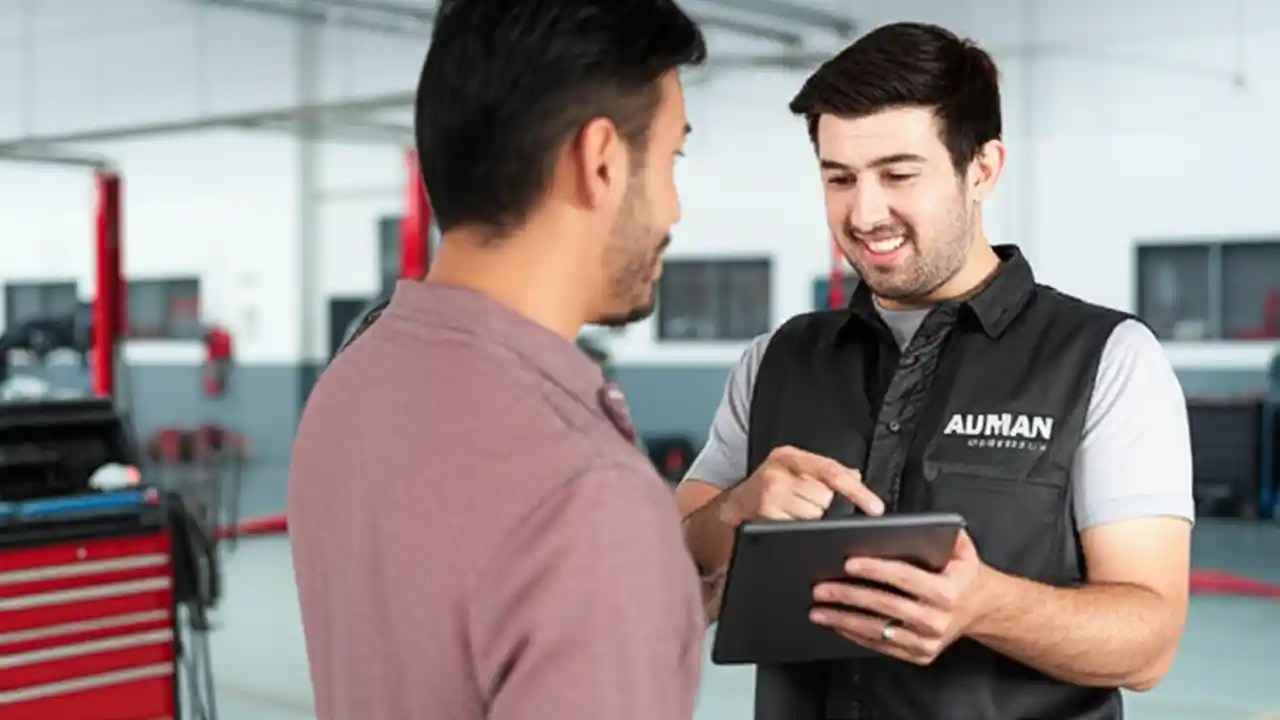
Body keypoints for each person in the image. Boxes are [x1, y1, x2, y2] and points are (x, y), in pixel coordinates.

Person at [675, 21, 1193, 720]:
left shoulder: (1107, 359)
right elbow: (664, 575)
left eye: (898, 174)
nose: (864, 212)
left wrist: (987, 605)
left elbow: (1150, 643)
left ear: (981, 169)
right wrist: (735, 512)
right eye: (839, 178)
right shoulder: (775, 361)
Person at [287, 3, 709, 719]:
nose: (673, 208)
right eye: (672, 159)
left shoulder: (349, 388)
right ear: (599, 161)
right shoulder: (590, 494)